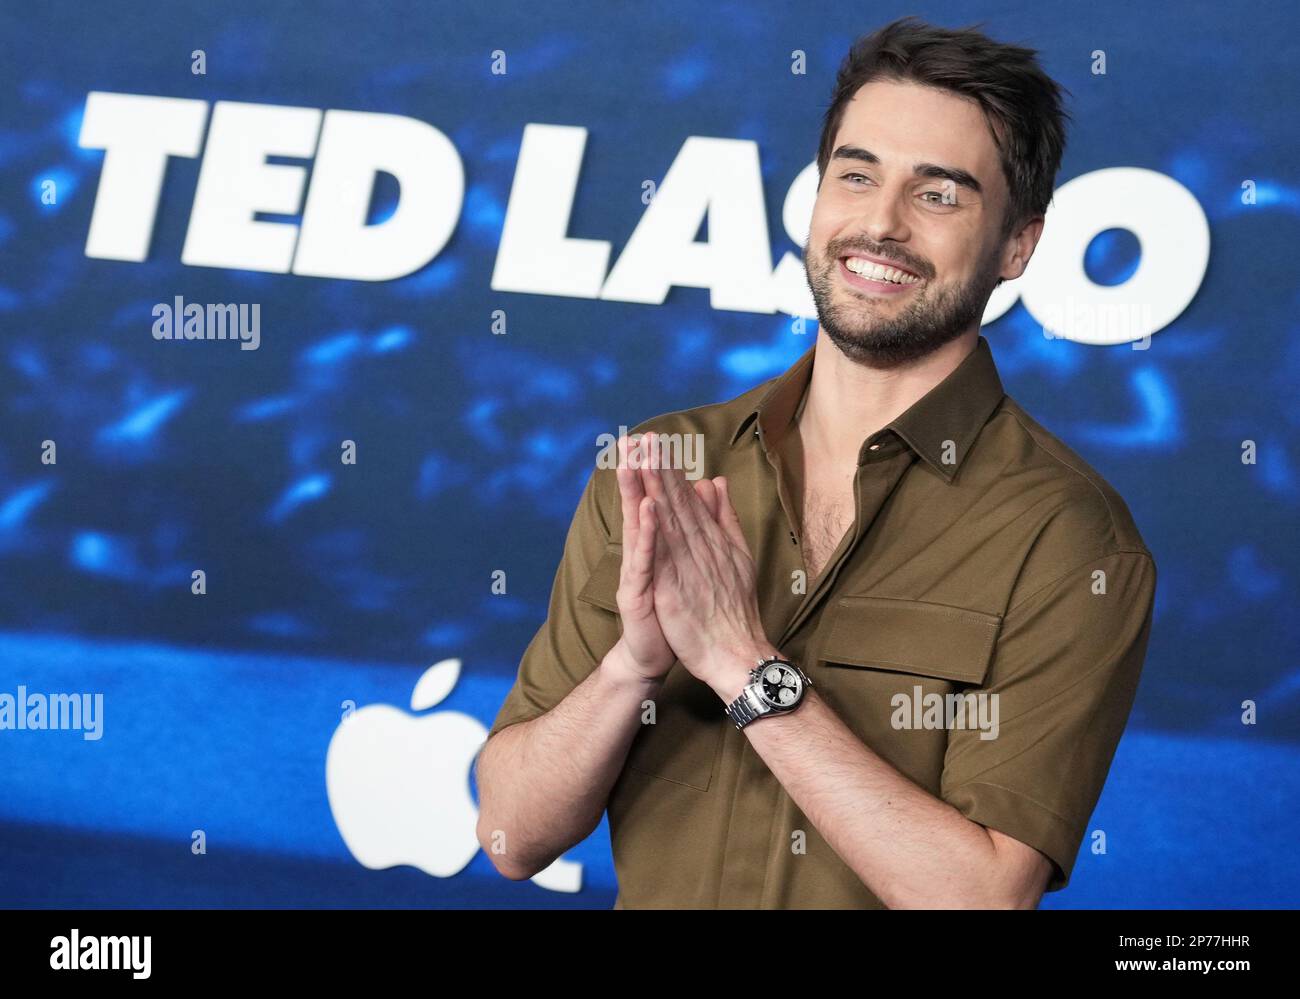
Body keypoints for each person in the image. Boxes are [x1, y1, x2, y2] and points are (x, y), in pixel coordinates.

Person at [475, 15, 1157, 909]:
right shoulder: (662, 466)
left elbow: (982, 898)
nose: (880, 223)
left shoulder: (1070, 540)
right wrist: (631, 668)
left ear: (1018, 244)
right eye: (857, 174)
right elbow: (512, 835)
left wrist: (744, 667)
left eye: (939, 194)